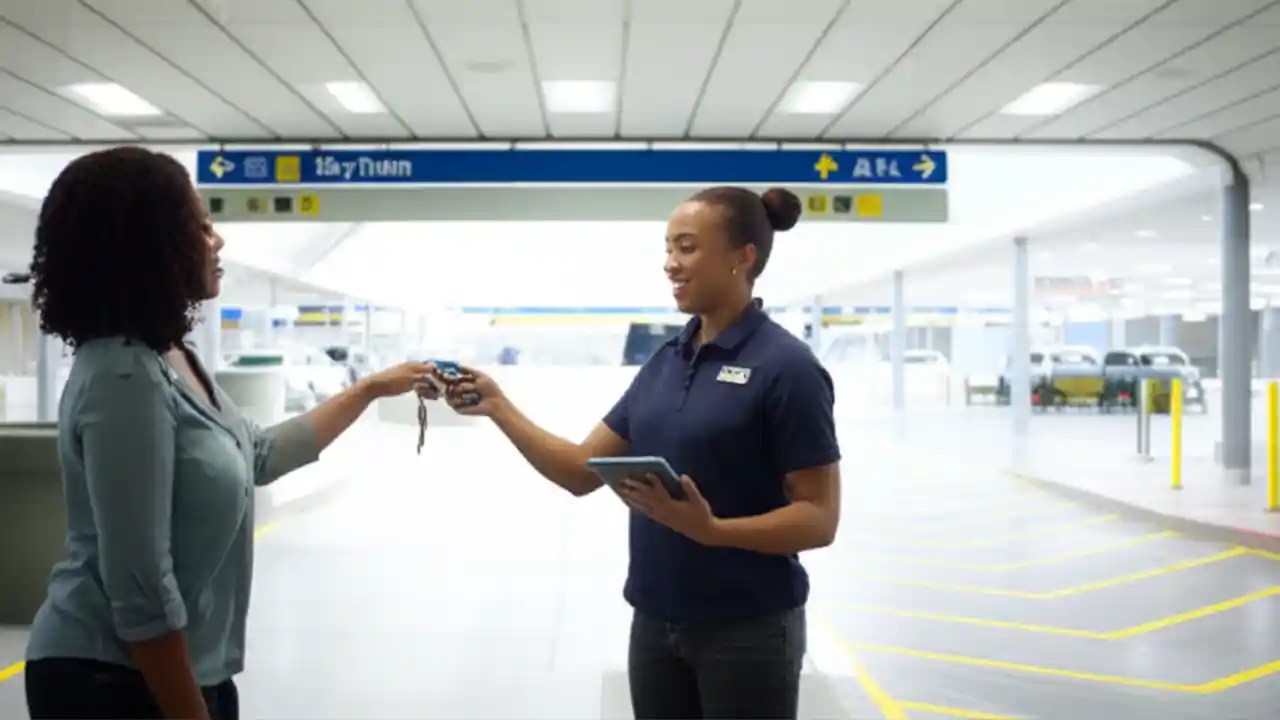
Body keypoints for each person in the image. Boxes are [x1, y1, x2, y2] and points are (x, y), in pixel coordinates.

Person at [21, 146, 437, 720]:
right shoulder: (124, 374)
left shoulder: (170, 356)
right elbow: (141, 586)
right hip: (109, 678)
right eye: (201, 228)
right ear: (152, 247)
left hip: (184, 671)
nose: (218, 243)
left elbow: (258, 454)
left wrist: (368, 389)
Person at [438, 186, 842, 719]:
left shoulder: (788, 368)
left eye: (688, 248)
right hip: (655, 621)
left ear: (743, 256)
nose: (671, 264)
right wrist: (499, 406)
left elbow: (819, 517)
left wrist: (714, 531)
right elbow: (581, 471)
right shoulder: (668, 360)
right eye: (669, 248)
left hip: (748, 628)